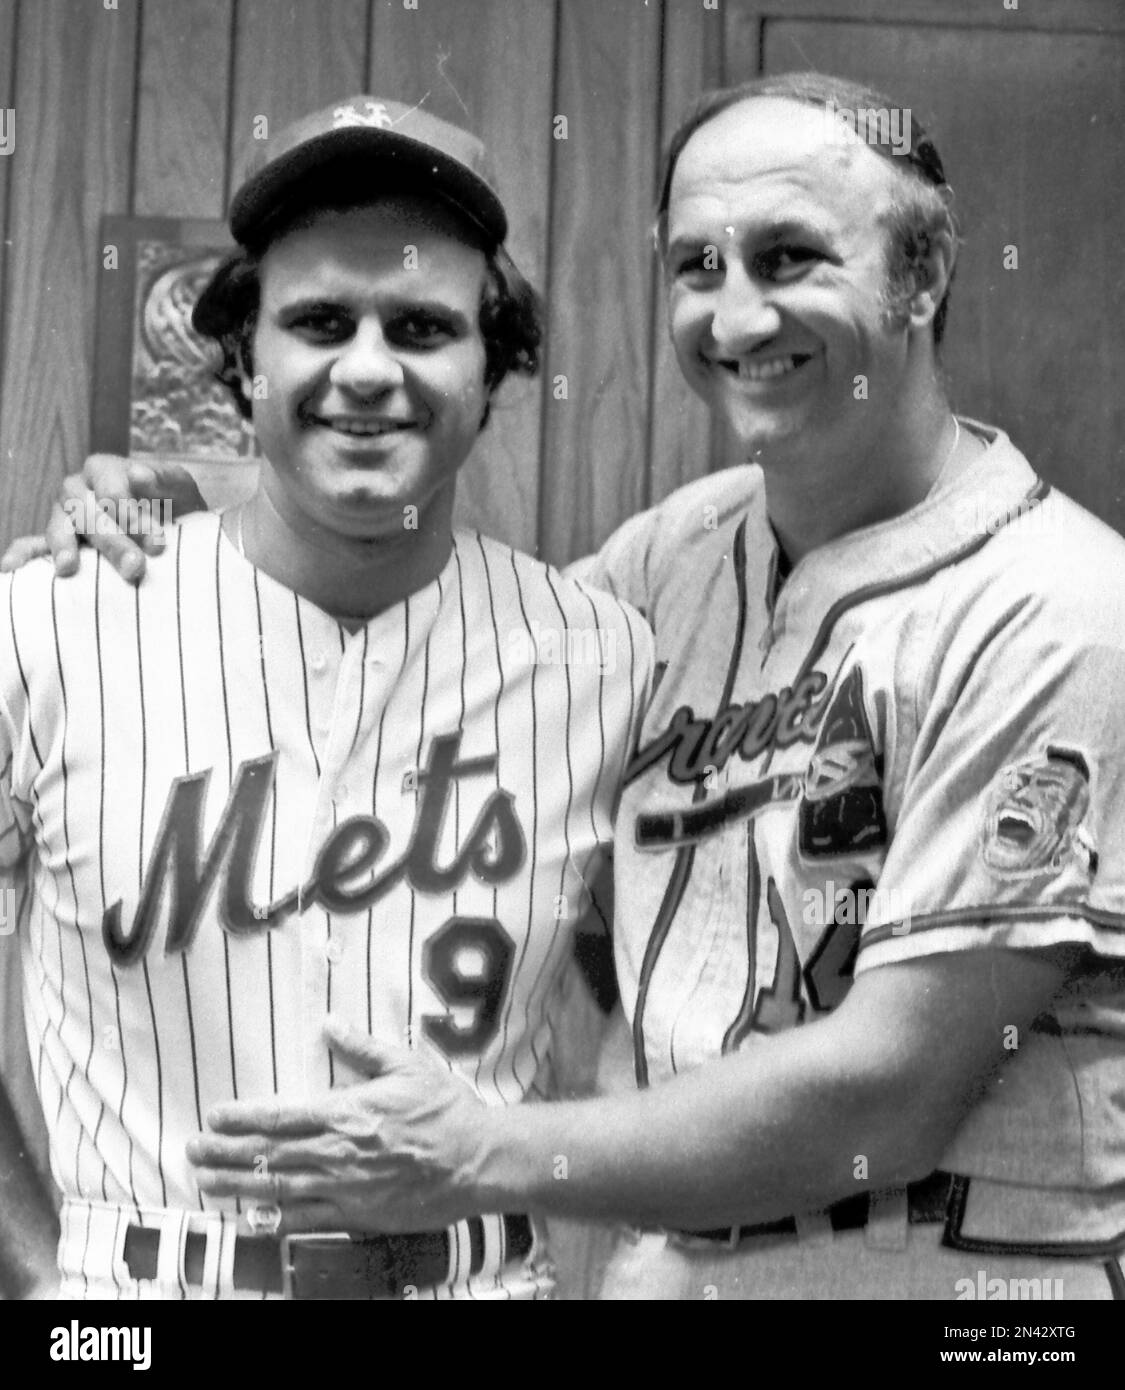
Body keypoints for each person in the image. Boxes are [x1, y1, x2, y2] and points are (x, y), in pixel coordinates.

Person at [12, 70, 1125, 1302]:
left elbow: (895, 1085)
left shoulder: (1060, 607)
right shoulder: (673, 569)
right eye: (699, 266)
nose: (739, 316)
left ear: (924, 279)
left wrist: (489, 1152)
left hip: (957, 1295)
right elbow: (399, 599)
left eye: (792, 256)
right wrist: (160, 512)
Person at [0, 95, 651, 1300]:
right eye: (318, 321)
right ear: (246, 358)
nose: (367, 368)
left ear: (492, 367)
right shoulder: (47, 623)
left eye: (419, 326)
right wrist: (41, 1283)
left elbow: (657, 1013)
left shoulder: (604, 655)